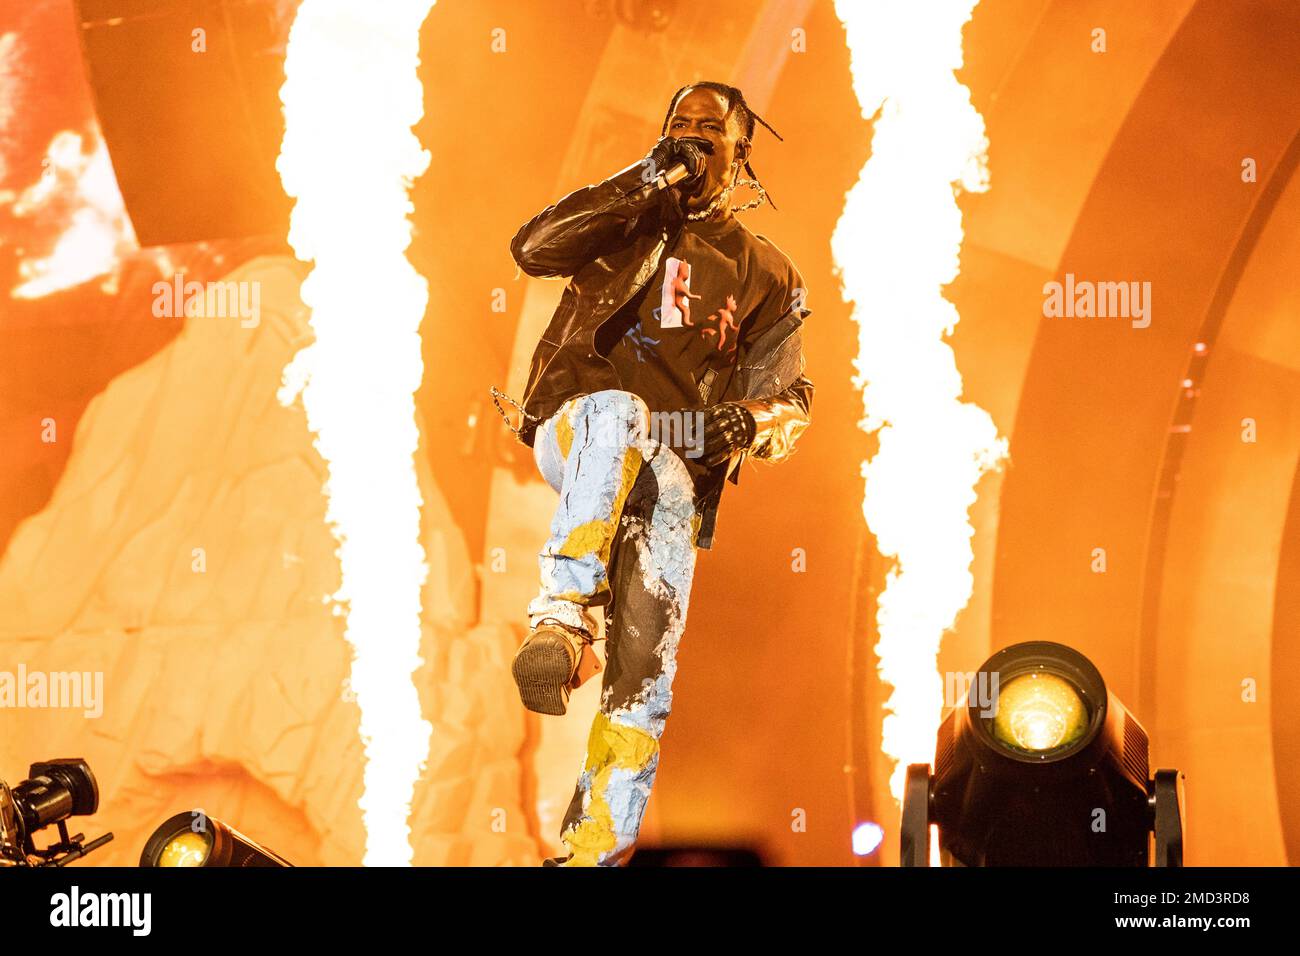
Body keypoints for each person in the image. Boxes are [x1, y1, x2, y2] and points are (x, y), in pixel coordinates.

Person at [493, 81, 814, 866]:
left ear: (742, 150)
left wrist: (750, 423)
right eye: (681, 122)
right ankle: (563, 617)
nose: (695, 134)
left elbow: (794, 398)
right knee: (618, 412)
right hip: (580, 428)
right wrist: (643, 179)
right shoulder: (624, 217)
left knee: (645, 670)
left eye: (713, 126)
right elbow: (532, 249)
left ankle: (595, 849)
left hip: (670, 473)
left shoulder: (766, 271)